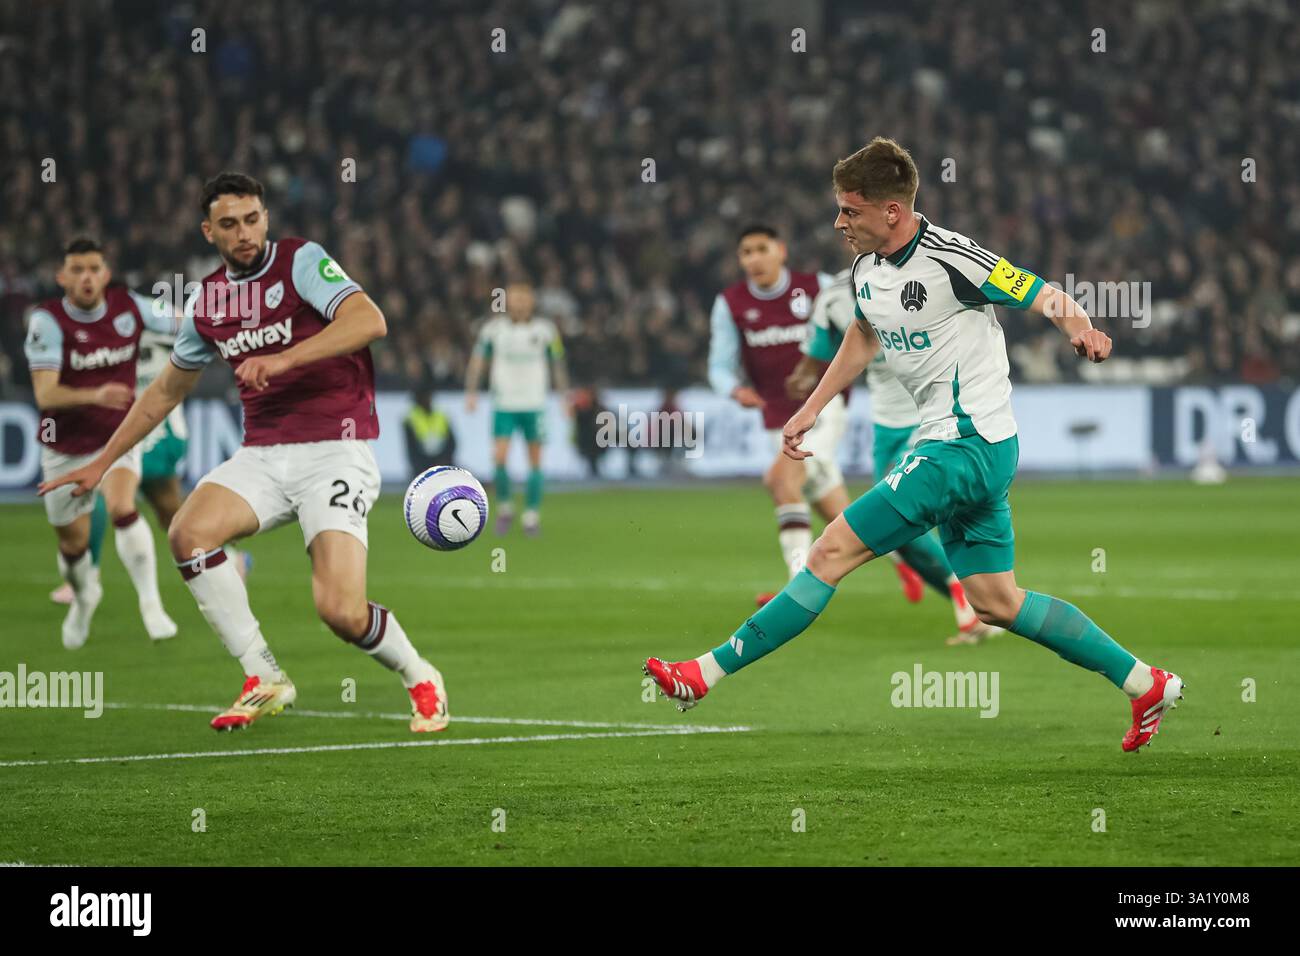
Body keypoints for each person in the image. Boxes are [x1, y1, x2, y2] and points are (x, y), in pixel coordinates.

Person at [646, 138, 1183, 752]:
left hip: (963, 444)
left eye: (850, 211)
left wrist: (1080, 325)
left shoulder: (954, 257)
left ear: (892, 211)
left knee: (829, 552)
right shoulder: (864, 271)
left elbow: (1038, 290)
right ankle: (1145, 682)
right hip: (969, 451)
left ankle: (702, 674)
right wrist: (811, 409)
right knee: (995, 601)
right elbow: (863, 335)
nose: (838, 222)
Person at [41, 172, 448, 734]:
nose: (244, 233)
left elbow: (368, 320)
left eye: (252, 219)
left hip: (335, 449)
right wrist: (102, 460)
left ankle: (419, 674)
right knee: (187, 532)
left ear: (265, 218)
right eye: (228, 224)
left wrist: (283, 360)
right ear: (209, 231)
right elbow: (163, 391)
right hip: (262, 455)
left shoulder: (302, 261)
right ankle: (263, 675)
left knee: (340, 611)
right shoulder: (208, 300)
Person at [786, 265, 998, 645]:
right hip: (887, 421)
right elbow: (817, 353)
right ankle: (973, 601)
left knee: (900, 512)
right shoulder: (833, 296)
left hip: (935, 414)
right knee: (898, 530)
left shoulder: (925, 276)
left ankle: (975, 600)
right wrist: (804, 377)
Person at [26, 237, 178, 648]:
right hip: (64, 449)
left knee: (123, 507)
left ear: (106, 274)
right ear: (62, 277)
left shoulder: (131, 307)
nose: (87, 277)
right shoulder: (48, 321)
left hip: (117, 437)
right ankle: (84, 594)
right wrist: (96, 395)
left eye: (94, 268)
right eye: (77, 270)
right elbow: (45, 394)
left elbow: (182, 319)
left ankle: (151, 605)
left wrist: (226, 324)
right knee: (72, 546)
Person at [708, 225, 849, 604]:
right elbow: (719, 365)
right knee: (838, 511)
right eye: (746, 252)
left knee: (780, 479)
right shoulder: (731, 303)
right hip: (777, 418)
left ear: (781, 251)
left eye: (761, 249)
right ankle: (912, 559)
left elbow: (856, 329)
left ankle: (798, 588)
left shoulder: (817, 286)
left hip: (823, 406)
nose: (754, 258)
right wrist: (734, 390)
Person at [464, 282, 568, 536]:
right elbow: (478, 361)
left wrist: (565, 397)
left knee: (535, 461)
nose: (520, 303)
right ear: (507, 301)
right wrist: (472, 392)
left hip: (535, 404)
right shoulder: (494, 330)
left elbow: (557, 364)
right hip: (505, 404)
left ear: (531, 301)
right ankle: (505, 508)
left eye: (524, 298)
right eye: (515, 299)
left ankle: (531, 516)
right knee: (499, 457)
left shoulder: (546, 330)